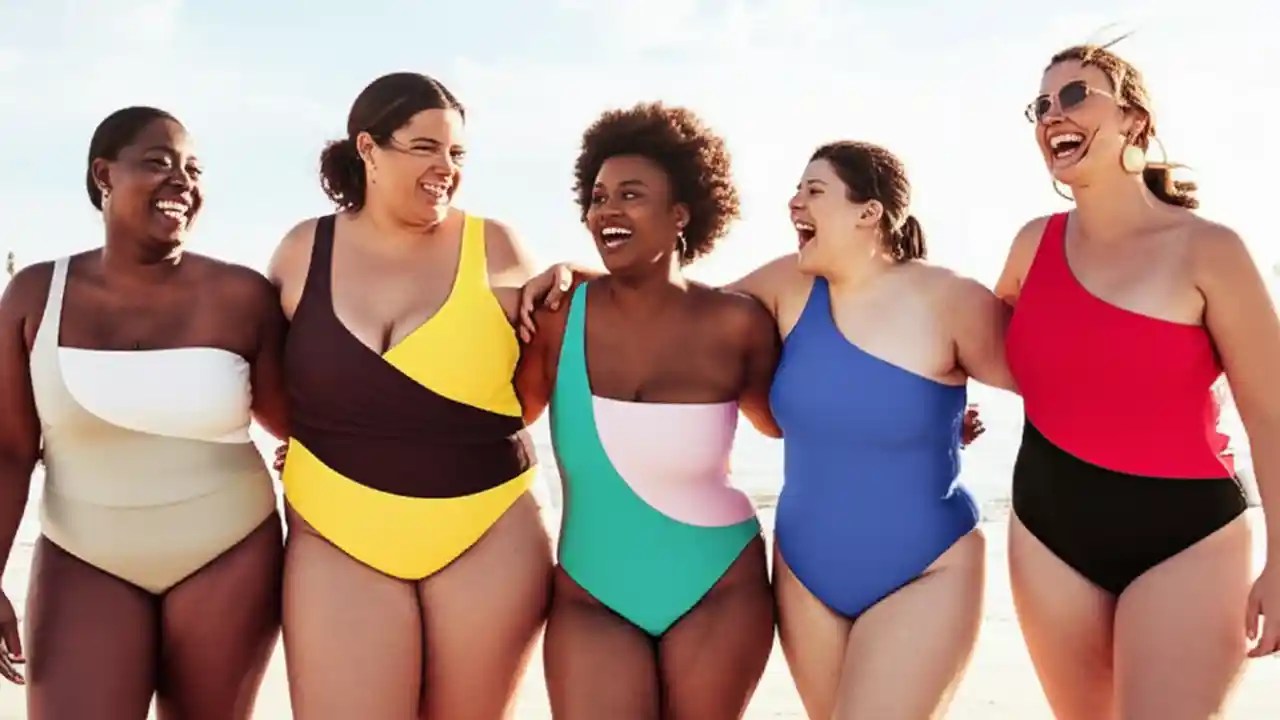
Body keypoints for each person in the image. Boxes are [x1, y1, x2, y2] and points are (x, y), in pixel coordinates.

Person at [518, 138, 1006, 717]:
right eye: (599, 197)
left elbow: (1049, 385)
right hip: (785, 577)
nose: (794, 203)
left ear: (868, 212)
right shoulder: (781, 287)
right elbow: (667, 305)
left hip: (860, 571)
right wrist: (579, 274)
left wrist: (920, 417)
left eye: (813, 191)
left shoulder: (944, 299)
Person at [996, 40, 1280, 719]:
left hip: (1188, 537)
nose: (1051, 115)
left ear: (1134, 122)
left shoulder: (1209, 249)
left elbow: (1270, 409)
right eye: (1040, 104)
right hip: (1046, 532)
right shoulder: (1033, 244)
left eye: (1074, 96)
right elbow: (973, 342)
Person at [267, 72, 551, 719]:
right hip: (336, 535)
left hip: (486, 533)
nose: (445, 168)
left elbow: (562, 348)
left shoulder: (496, 244)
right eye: (425, 148)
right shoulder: (300, 251)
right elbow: (261, 377)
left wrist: (576, 272)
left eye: (456, 154)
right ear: (367, 148)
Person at [0, 106, 287, 719]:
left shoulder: (243, 295)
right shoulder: (34, 294)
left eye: (194, 169)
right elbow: (9, 450)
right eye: (158, 162)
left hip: (229, 551)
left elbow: (301, 424)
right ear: (103, 174)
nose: (182, 180)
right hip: (83, 553)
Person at [514, 101, 780, 719]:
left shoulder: (736, 322)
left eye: (631, 195)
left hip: (718, 585)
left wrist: (930, 424)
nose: (607, 209)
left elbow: (796, 425)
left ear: (680, 213)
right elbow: (496, 421)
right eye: (599, 196)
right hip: (590, 593)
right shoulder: (560, 313)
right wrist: (339, 442)